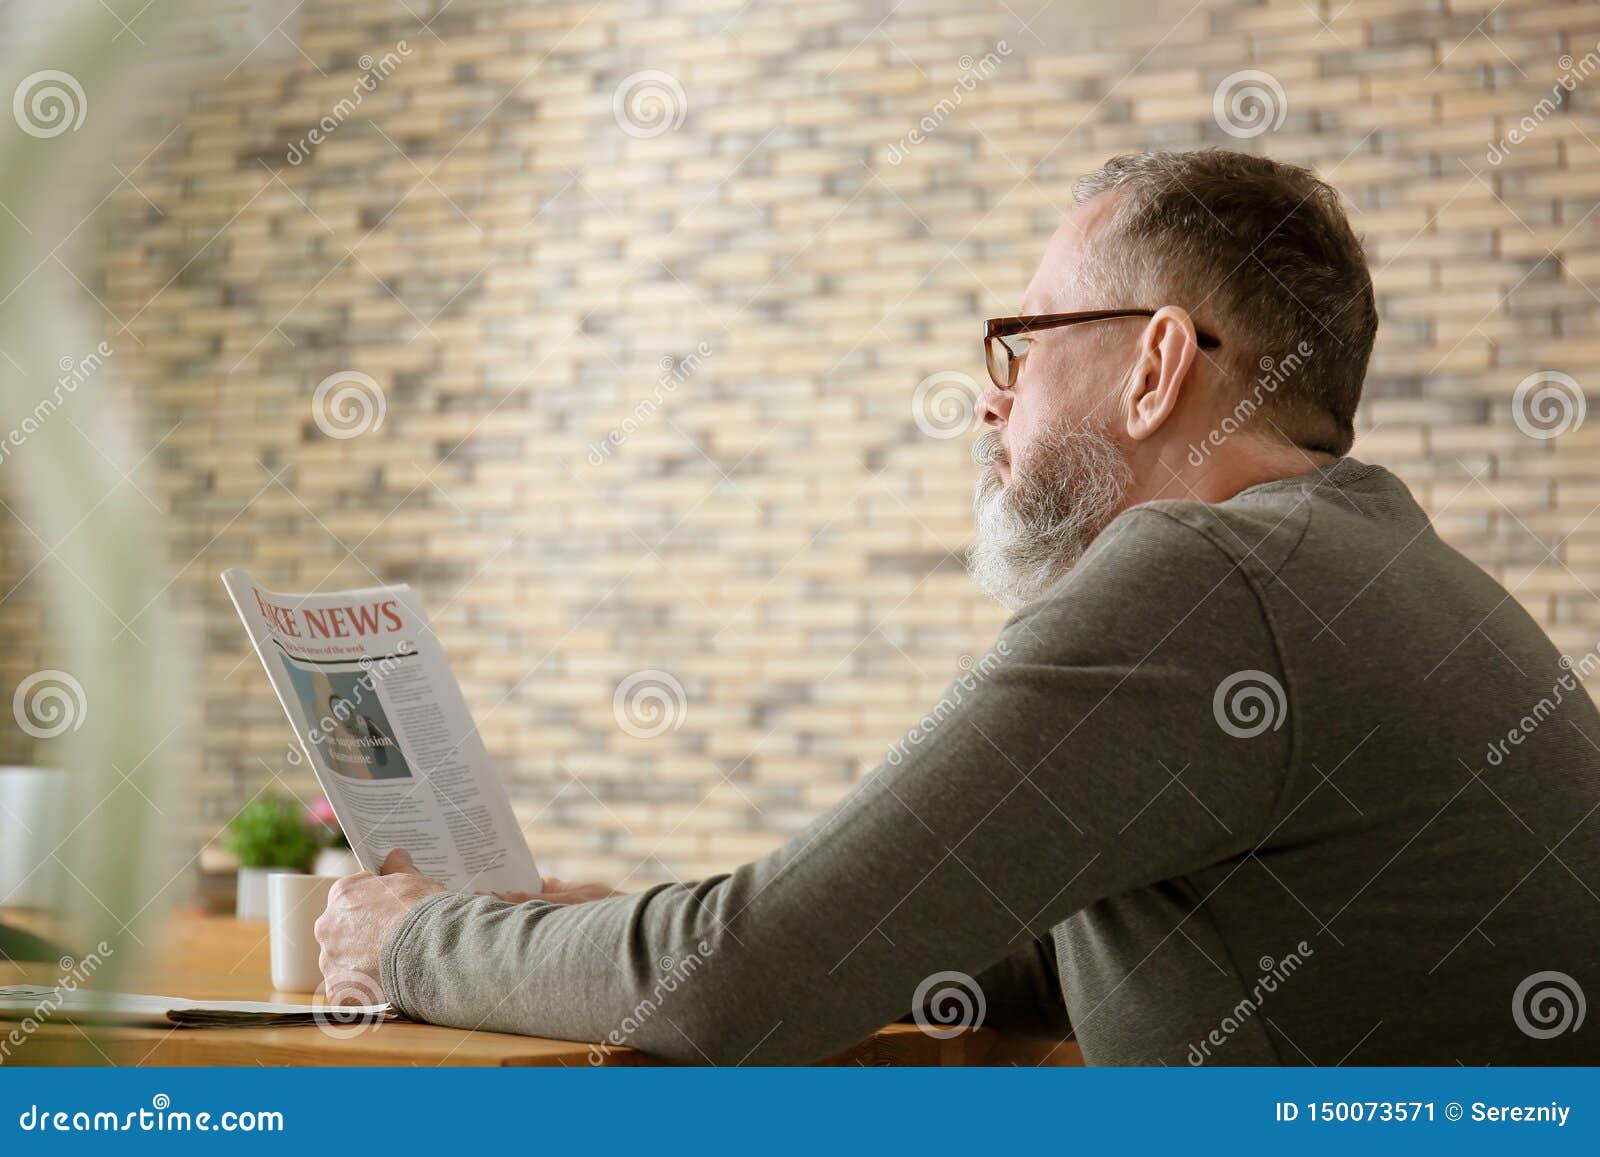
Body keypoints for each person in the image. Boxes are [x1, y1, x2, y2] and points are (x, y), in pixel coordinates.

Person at [316, 148, 1600, 1065]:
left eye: (1024, 344)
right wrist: (586, 931)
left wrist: (421, 940)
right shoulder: (1382, 568)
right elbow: (1040, 950)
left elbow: (751, 983)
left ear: (1156, 364)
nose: (992, 398)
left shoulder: (1205, 577)